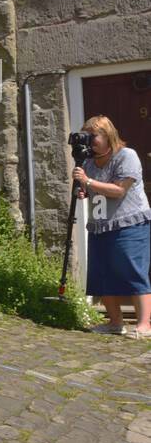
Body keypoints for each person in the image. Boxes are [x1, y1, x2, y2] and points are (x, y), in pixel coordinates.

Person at [75, 114, 151, 338]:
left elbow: (118, 190)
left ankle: (144, 325)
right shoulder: (88, 162)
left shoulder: (127, 156)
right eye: (86, 136)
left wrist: (88, 181)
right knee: (103, 275)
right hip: (100, 226)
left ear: (109, 136)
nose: (89, 141)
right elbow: (93, 191)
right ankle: (115, 323)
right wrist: (83, 191)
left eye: (94, 136)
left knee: (133, 272)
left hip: (130, 224)